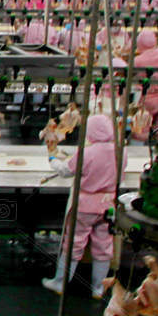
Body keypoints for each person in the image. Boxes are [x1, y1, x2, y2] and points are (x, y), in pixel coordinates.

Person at [41, 113, 121, 297]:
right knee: (104, 246)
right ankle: (98, 288)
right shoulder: (120, 151)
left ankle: (60, 283)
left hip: (85, 206)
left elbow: (66, 171)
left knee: (74, 244)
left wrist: (53, 160)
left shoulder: (88, 152)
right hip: (108, 205)